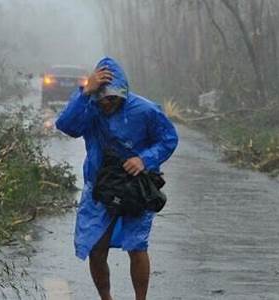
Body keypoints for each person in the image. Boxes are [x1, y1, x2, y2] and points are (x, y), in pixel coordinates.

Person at [55, 57, 178, 300]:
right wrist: (85, 92)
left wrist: (144, 159)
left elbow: (168, 139)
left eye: (114, 98)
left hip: (137, 184)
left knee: (137, 245)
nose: (108, 103)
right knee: (96, 248)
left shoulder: (145, 110)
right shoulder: (89, 108)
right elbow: (67, 126)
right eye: (103, 97)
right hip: (100, 185)